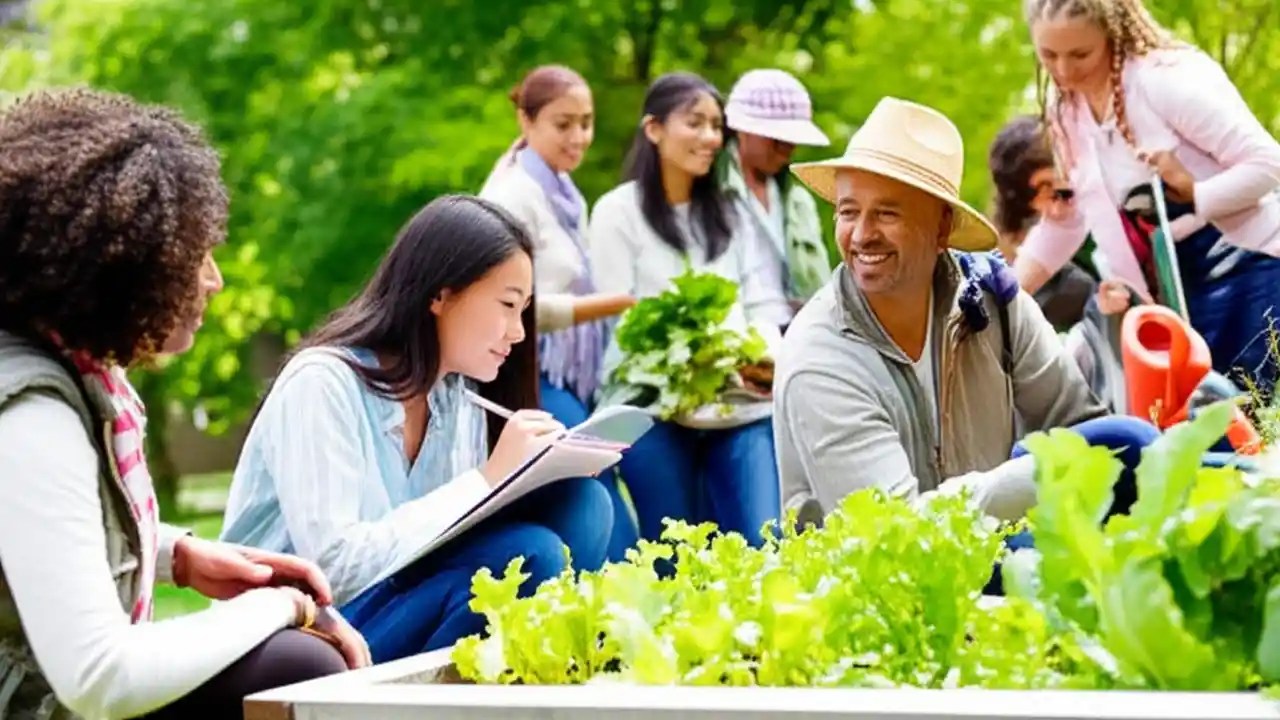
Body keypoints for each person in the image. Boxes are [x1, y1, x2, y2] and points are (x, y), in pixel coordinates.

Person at [0, 88, 362, 720]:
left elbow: (36, 535)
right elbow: (100, 677)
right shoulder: (34, 414)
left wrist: (177, 557)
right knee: (297, 664)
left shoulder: (75, 372)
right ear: (124, 267)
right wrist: (282, 605)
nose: (213, 281)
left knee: (295, 665)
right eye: (195, 258)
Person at [221, 195, 613, 664]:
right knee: (532, 556)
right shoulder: (322, 383)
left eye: (524, 310)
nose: (518, 332)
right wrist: (487, 479)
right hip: (298, 632)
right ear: (440, 295)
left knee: (583, 505)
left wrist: (531, 478)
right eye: (508, 305)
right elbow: (333, 569)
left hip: (385, 608)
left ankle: (530, 681)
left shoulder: (455, 398)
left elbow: (442, 544)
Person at [775, 96, 1160, 533]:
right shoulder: (820, 357)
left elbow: (1078, 422)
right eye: (848, 212)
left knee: (1131, 450)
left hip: (988, 551)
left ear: (942, 227)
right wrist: (1034, 474)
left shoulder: (993, 300)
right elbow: (891, 532)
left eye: (887, 213)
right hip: (877, 585)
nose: (862, 235)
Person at [1014, 0, 1280, 397]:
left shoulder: (1165, 80)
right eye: (1049, 55)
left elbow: (1267, 163)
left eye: (1080, 54)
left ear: (1111, 32)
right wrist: (1008, 294)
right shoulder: (1065, 110)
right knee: (1212, 436)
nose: (1064, 71)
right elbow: (1069, 219)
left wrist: (1195, 195)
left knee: (1258, 426)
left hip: (1250, 273)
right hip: (1176, 297)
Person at [589, 72, 789, 547]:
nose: (710, 138)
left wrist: (758, 355)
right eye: (695, 123)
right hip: (650, 404)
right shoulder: (617, 212)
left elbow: (762, 300)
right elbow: (619, 320)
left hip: (737, 401)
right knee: (673, 551)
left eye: (717, 126)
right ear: (654, 129)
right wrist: (689, 357)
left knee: (763, 538)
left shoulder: (732, 212)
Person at [479, 64, 639, 562]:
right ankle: (617, 598)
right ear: (526, 122)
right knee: (592, 471)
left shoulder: (565, 194)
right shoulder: (511, 196)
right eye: (563, 124)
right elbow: (507, 302)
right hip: (521, 366)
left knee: (607, 466)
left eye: (586, 123)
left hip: (564, 370)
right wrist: (614, 304)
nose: (579, 137)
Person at [718, 68, 834, 323]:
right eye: (777, 139)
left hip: (796, 335)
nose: (787, 150)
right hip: (732, 337)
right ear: (741, 129)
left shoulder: (798, 201)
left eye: (792, 141)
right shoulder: (710, 191)